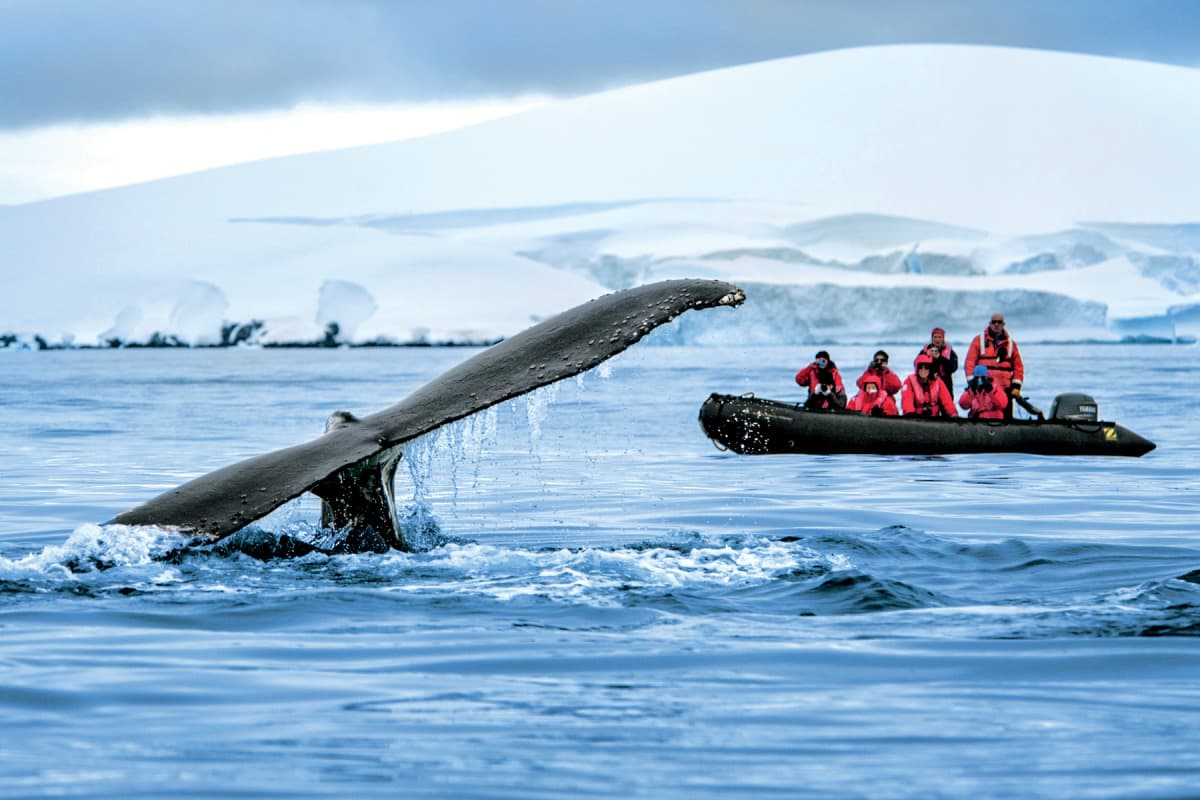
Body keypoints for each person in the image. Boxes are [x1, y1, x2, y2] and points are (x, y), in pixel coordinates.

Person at [965, 313, 1024, 420]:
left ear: (1003, 324)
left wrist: (1016, 387)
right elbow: (970, 362)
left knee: (1006, 419)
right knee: (980, 415)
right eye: (994, 322)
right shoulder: (978, 341)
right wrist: (972, 383)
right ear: (990, 324)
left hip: (1005, 388)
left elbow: (1018, 366)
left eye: (999, 322)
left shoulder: (1011, 344)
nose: (996, 324)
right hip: (984, 388)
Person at [915, 327, 959, 395]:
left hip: (945, 384)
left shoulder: (950, 352)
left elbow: (953, 367)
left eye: (939, 337)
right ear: (932, 338)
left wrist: (940, 358)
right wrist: (925, 355)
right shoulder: (925, 351)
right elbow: (916, 365)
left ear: (943, 338)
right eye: (935, 337)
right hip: (928, 384)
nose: (937, 339)